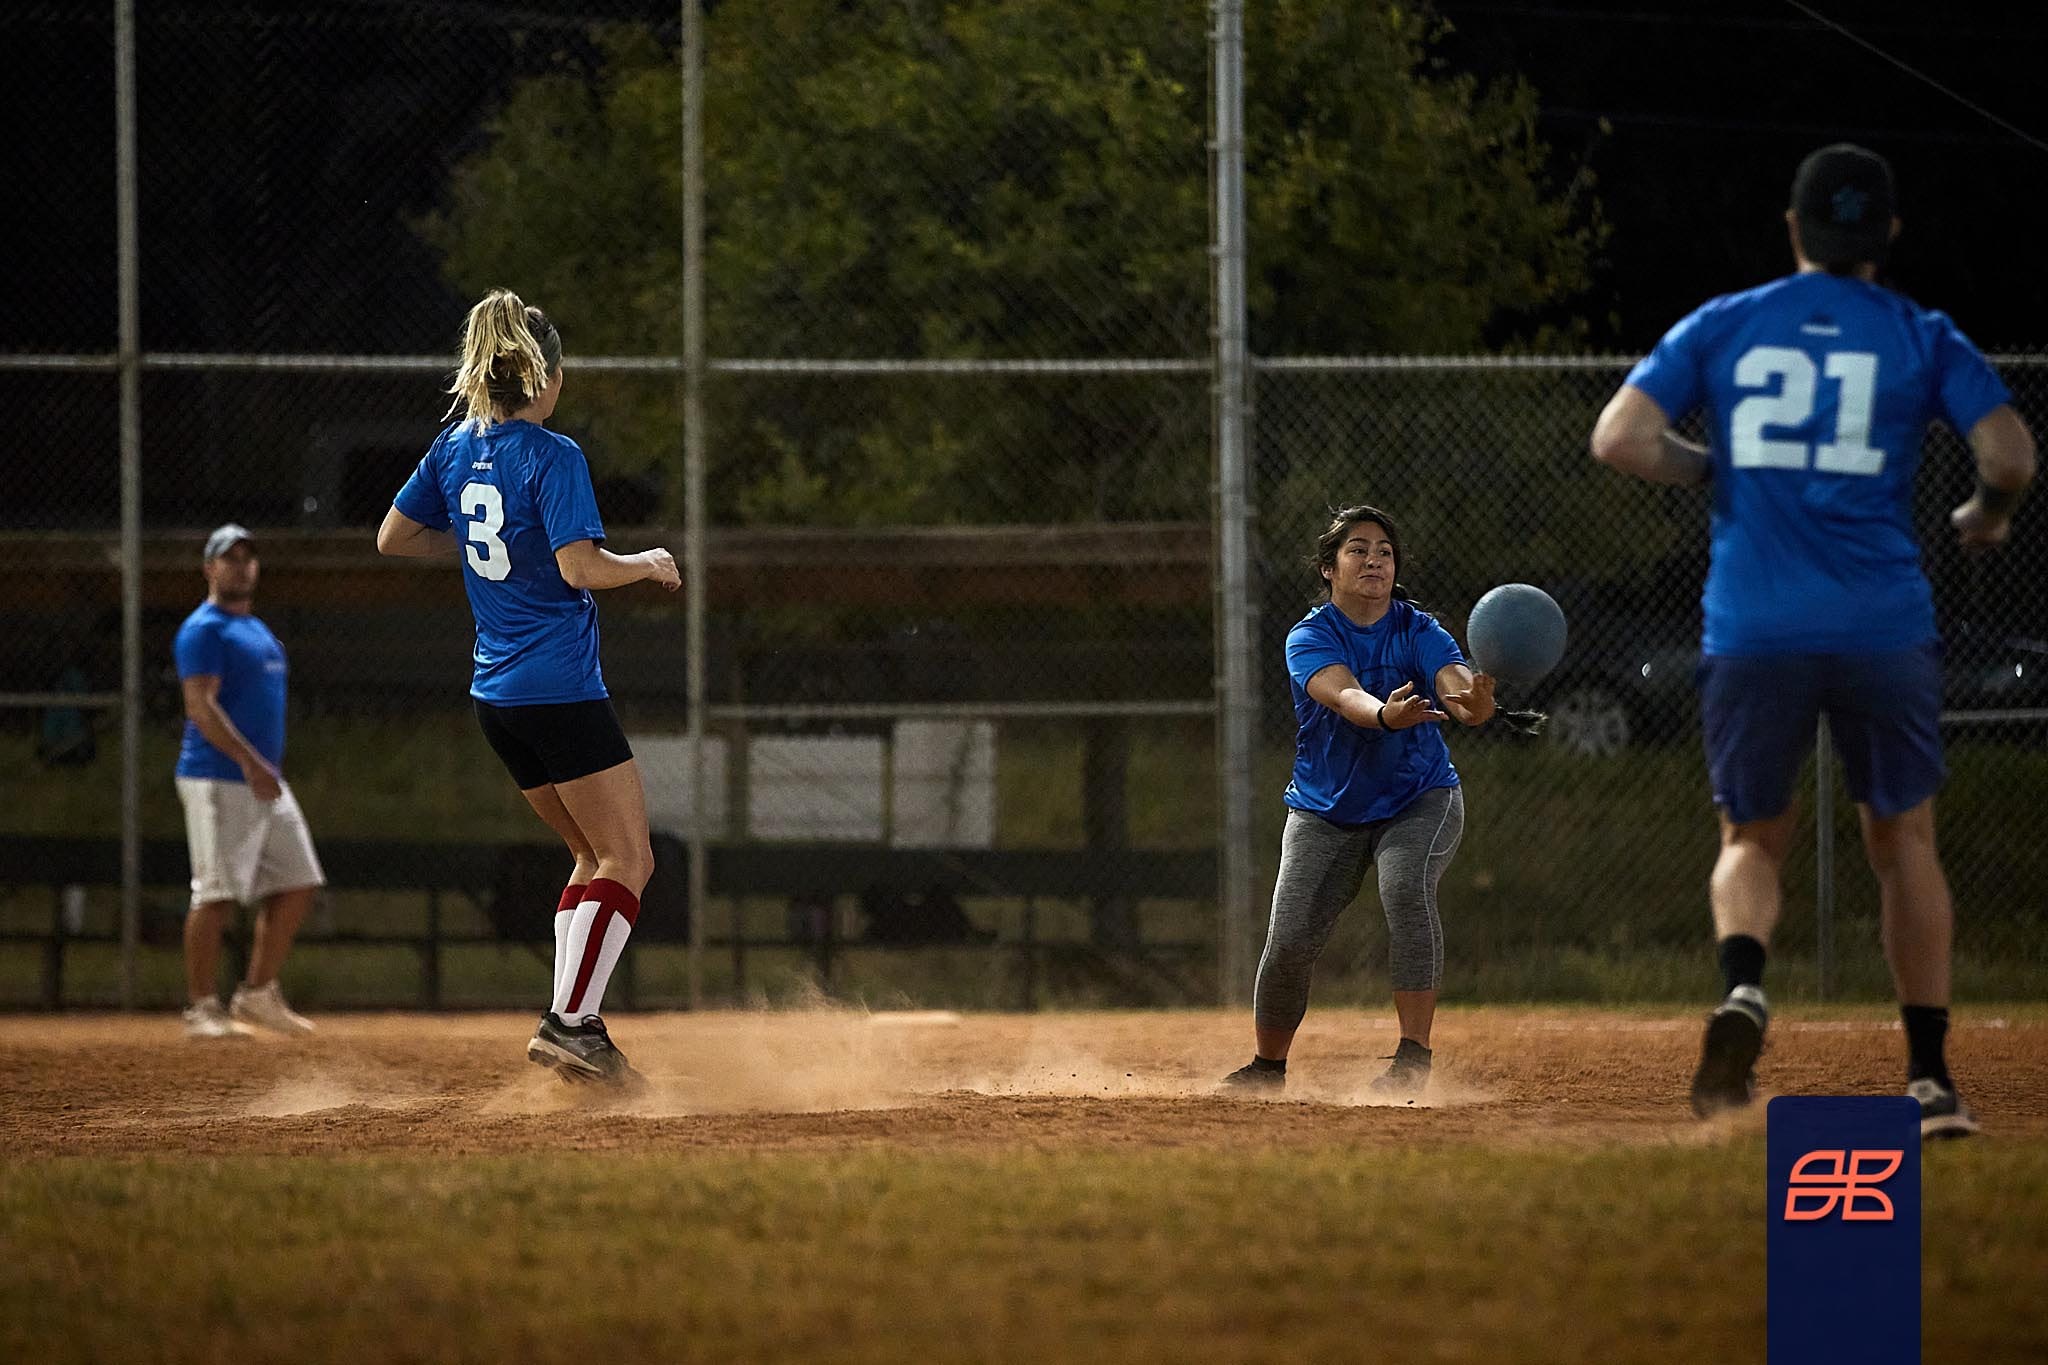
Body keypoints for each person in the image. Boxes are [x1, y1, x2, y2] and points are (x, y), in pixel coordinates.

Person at [1589, 143, 2037, 1139]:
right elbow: (2007, 449)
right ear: (1886, 234)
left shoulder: (1726, 322)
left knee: (1750, 838)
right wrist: (1986, 512)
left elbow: (1616, 437)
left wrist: (1716, 467)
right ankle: (1927, 1081)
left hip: (1753, 623)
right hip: (1881, 623)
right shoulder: (1918, 333)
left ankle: (1743, 987)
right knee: (1902, 839)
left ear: (1790, 228)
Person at [377, 288, 679, 1085]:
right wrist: (646, 563)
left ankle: (573, 1024)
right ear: (542, 376)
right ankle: (573, 1023)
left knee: (588, 853)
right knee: (630, 856)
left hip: (496, 697)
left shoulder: (455, 446)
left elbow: (393, 537)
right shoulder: (554, 454)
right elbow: (583, 568)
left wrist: (485, 548)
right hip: (559, 687)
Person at [1220, 505, 1497, 1098]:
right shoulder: (1310, 636)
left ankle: (1413, 1057)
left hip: (1418, 797)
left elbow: (1454, 685)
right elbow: (1346, 696)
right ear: (1328, 568)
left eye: (1385, 552)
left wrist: (1472, 700)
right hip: (1325, 808)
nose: (1374, 559)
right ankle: (1267, 1068)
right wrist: (1385, 715)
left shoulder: (1420, 630)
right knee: (1290, 935)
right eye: (1357, 549)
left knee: (1404, 888)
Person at [174, 523, 324, 1040]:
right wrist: (248, 761)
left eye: (247, 557)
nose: (240, 565)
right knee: (214, 893)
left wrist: (263, 768)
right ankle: (201, 1007)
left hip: (263, 779)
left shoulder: (257, 629)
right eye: (228, 557)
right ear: (209, 568)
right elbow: (200, 705)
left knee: (298, 880)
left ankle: (257, 994)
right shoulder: (203, 629)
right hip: (219, 777)